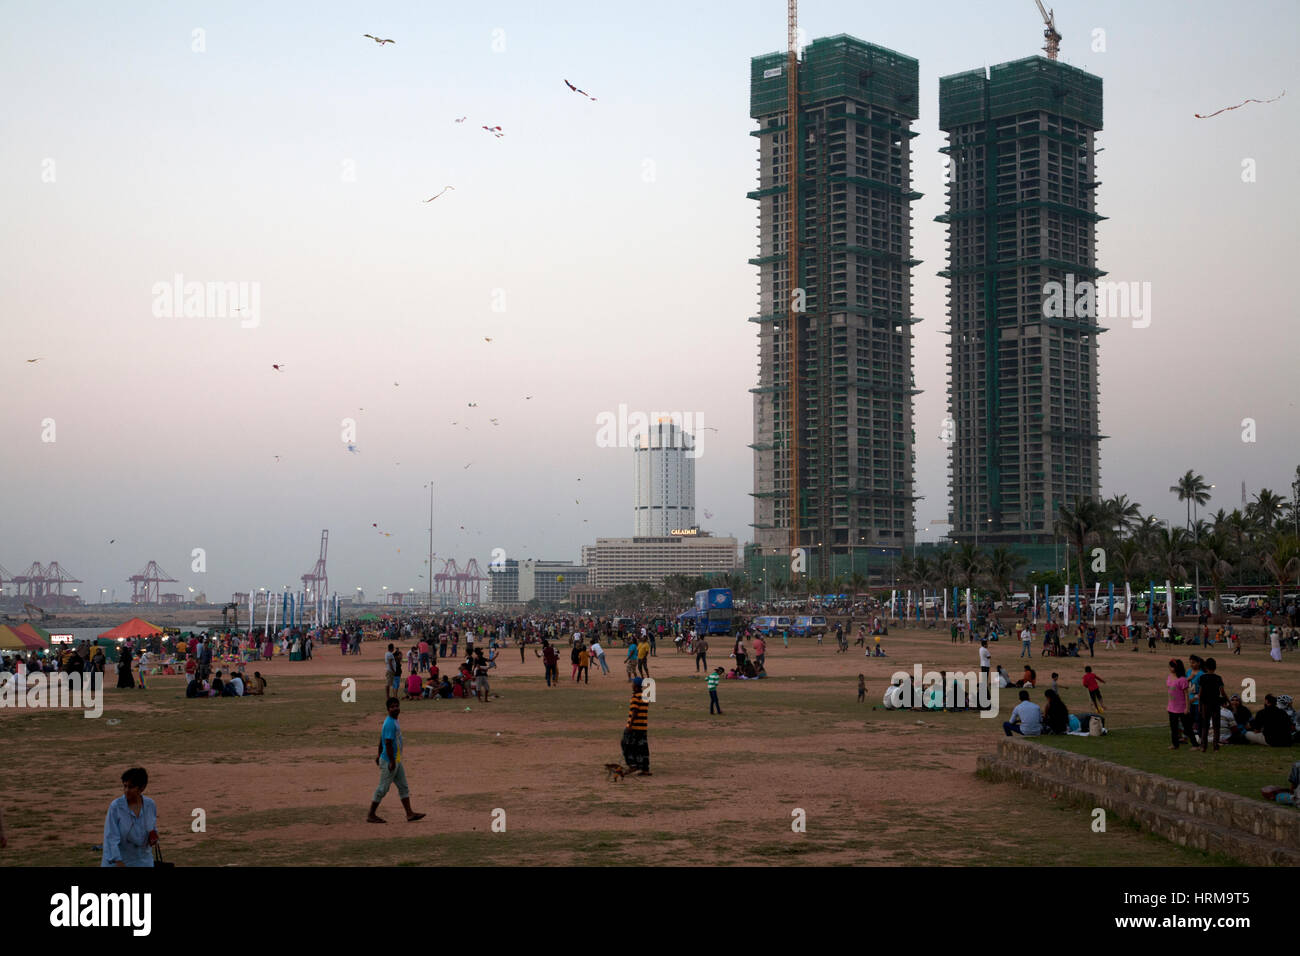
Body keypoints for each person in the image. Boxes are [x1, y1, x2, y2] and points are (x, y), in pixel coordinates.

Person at [367, 698, 427, 823]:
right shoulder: (389, 723)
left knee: (403, 787)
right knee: (383, 788)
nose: (395, 709)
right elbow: (387, 743)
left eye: (397, 706)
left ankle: (409, 814)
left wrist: (379, 755)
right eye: (392, 707)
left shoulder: (394, 721)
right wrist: (391, 762)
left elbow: (381, 739)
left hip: (396, 760)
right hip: (390, 761)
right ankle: (371, 814)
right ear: (388, 709)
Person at [102, 767, 158, 867]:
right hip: (120, 860)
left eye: (131, 787)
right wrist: (118, 861)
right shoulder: (116, 807)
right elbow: (111, 837)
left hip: (143, 860)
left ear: (142, 788)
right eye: (125, 786)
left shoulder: (150, 805)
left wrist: (153, 837)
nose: (126, 790)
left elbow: (152, 828)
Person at [621, 678, 651, 774]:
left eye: (633, 683)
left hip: (634, 727)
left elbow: (635, 711)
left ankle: (632, 765)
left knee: (626, 744)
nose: (632, 685)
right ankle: (645, 768)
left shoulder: (635, 697)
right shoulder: (645, 696)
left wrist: (630, 725)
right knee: (642, 747)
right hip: (643, 727)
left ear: (636, 686)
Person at [1196, 658, 1227, 751]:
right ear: (1215, 667)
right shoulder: (1218, 678)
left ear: (1205, 667)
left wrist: (1199, 705)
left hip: (1205, 704)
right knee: (1216, 726)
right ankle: (1215, 747)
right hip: (1216, 704)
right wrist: (1228, 701)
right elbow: (1222, 692)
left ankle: (1203, 746)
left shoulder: (1202, 678)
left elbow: (1200, 693)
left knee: (1205, 725)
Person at [1166, 659, 1198, 749]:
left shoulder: (1182, 680)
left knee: (1187, 728)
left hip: (1182, 707)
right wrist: (1169, 705)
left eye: (1172, 666)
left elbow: (1186, 694)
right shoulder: (1169, 677)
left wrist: (1187, 708)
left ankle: (1195, 744)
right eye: (1170, 666)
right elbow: (1170, 692)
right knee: (1174, 727)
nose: (1170, 668)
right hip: (1172, 707)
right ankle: (1175, 744)